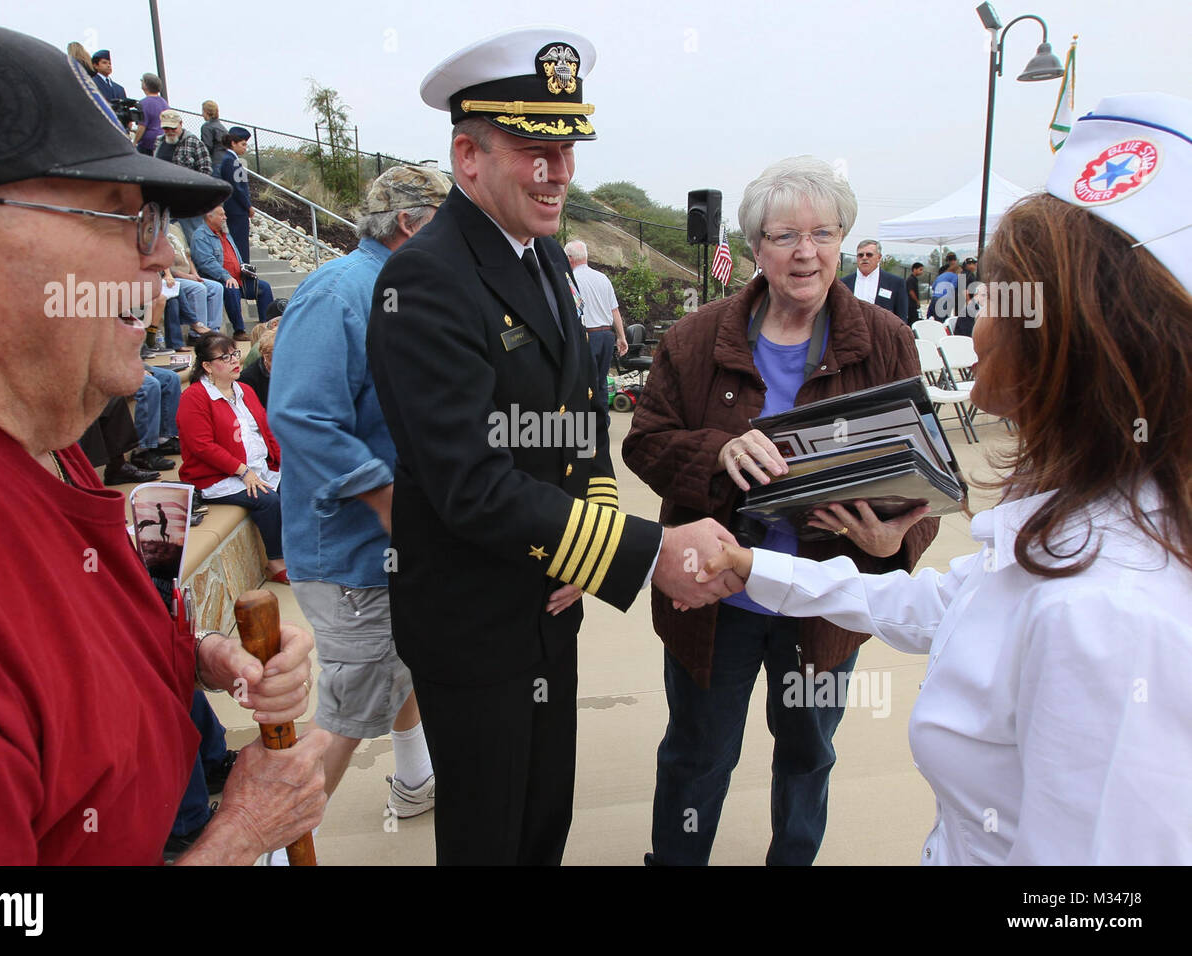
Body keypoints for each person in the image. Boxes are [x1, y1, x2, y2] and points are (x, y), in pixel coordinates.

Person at [697, 93, 1192, 865]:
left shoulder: (1106, 613)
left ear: (1063, 340)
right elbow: (932, 605)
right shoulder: (1077, 526)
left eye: (991, 297)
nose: (970, 323)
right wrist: (749, 565)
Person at [0, 22, 326, 864]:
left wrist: (196, 656)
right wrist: (239, 837)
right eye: (124, 219)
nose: (163, 258)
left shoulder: (29, 427)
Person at [366, 27, 740, 866]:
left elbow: (578, 420)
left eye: (567, 150)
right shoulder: (425, 279)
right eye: (536, 150)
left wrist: (587, 535)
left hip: (551, 601)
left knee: (542, 827)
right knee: (490, 842)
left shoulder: (540, 257)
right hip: (475, 623)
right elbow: (469, 483)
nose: (559, 171)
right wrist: (641, 552)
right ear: (468, 156)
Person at [623, 155, 940, 866]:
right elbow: (644, 445)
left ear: (843, 240)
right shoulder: (695, 339)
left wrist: (894, 542)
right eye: (785, 236)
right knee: (698, 753)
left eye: (823, 234)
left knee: (807, 752)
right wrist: (719, 453)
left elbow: (924, 476)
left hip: (824, 599)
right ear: (755, 248)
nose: (806, 253)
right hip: (719, 596)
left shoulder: (886, 340)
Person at [270, 165, 450, 829]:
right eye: (447, 222)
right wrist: (384, 499)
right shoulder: (338, 292)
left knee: (402, 663)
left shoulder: (401, 289)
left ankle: (415, 779)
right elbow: (301, 415)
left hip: (393, 546)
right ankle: (265, 846)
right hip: (353, 553)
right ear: (408, 223)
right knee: (350, 710)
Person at [178, 332, 288, 584]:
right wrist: (242, 471)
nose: (234, 361)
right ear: (207, 366)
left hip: (256, 467)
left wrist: (283, 461)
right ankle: (275, 561)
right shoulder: (194, 397)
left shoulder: (244, 389)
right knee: (268, 501)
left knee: (297, 486)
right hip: (217, 476)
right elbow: (202, 446)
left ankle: (300, 549)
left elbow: (266, 429)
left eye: (235, 354)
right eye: (225, 357)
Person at [191, 203, 273, 340]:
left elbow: (236, 256)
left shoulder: (225, 234)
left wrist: (244, 270)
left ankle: (267, 327)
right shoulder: (200, 236)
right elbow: (206, 263)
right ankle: (239, 331)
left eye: (224, 214)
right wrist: (226, 276)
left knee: (264, 287)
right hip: (218, 279)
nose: (225, 217)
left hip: (238, 278)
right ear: (209, 217)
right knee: (231, 289)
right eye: (221, 215)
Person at [564, 239, 627, 414]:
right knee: (601, 382)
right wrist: (621, 337)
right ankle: (602, 421)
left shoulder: (571, 280)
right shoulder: (603, 278)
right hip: (607, 336)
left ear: (569, 258)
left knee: (584, 382)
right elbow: (614, 310)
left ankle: (586, 421)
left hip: (588, 336)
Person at [155, 110, 213, 243]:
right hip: (163, 200)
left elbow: (206, 170)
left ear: (180, 124)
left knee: (195, 239)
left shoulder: (194, 142)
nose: (170, 131)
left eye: (173, 128)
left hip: (188, 202)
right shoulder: (158, 142)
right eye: (166, 128)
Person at [841, 239, 909, 322]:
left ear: (879, 257)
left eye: (869, 255)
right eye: (860, 255)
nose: (864, 258)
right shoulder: (844, 283)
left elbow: (902, 318)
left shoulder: (895, 283)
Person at [132, 365, 182, 472]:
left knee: (171, 378)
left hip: (128, 364)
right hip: (109, 368)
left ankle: (163, 439)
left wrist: (142, 367)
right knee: (150, 384)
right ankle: (141, 451)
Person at [219, 127, 254, 261]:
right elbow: (237, 187)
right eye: (243, 144)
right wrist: (248, 206)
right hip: (236, 210)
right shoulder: (229, 160)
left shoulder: (232, 159)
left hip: (236, 209)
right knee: (240, 245)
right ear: (233, 143)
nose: (245, 148)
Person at [133, 72, 168, 156]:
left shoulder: (144, 103)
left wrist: (134, 142)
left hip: (147, 144)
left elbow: (142, 126)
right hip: (162, 141)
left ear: (145, 85)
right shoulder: (164, 102)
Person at [928, 253, 961, 319]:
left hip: (934, 298)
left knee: (931, 320)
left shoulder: (941, 275)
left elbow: (933, 287)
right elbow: (953, 287)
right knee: (942, 321)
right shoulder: (955, 276)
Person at [200, 100, 229, 170]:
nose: (202, 114)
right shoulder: (222, 127)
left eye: (203, 111)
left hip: (214, 162)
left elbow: (207, 147)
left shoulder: (207, 127)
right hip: (226, 161)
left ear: (206, 112)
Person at [905, 261, 924, 325]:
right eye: (920, 270)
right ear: (914, 269)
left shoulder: (915, 279)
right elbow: (911, 291)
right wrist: (917, 301)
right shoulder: (911, 279)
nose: (922, 272)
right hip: (911, 305)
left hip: (913, 305)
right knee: (913, 321)